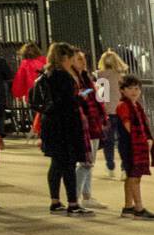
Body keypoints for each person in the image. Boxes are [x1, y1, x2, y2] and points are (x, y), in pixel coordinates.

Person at [38, 43, 91, 216]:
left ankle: (55, 201)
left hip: (50, 124)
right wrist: (81, 98)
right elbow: (68, 102)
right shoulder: (63, 76)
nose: (72, 62)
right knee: (68, 164)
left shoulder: (47, 74)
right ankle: (73, 203)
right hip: (64, 125)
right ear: (64, 58)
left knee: (56, 164)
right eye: (71, 58)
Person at [114, 76, 152, 218]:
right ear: (122, 91)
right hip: (130, 146)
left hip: (133, 145)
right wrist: (144, 140)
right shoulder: (124, 105)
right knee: (134, 176)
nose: (134, 91)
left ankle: (128, 206)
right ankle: (139, 208)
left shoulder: (136, 106)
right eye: (130, 88)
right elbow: (129, 127)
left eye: (136, 88)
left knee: (132, 176)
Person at [73, 52, 105, 206]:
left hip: (94, 123)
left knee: (89, 163)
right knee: (85, 163)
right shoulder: (74, 79)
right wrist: (88, 92)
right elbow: (76, 97)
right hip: (84, 124)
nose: (83, 61)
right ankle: (76, 198)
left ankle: (87, 196)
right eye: (79, 59)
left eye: (84, 58)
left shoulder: (86, 77)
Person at [96, 51, 129, 176]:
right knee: (123, 140)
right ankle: (124, 168)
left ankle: (110, 166)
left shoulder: (100, 76)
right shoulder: (121, 76)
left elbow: (100, 97)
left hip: (107, 112)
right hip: (121, 111)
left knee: (108, 141)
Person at [11, 42, 46, 134]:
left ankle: (40, 134)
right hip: (47, 93)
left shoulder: (25, 64)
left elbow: (20, 80)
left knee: (36, 116)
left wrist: (17, 94)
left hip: (33, 94)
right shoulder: (44, 61)